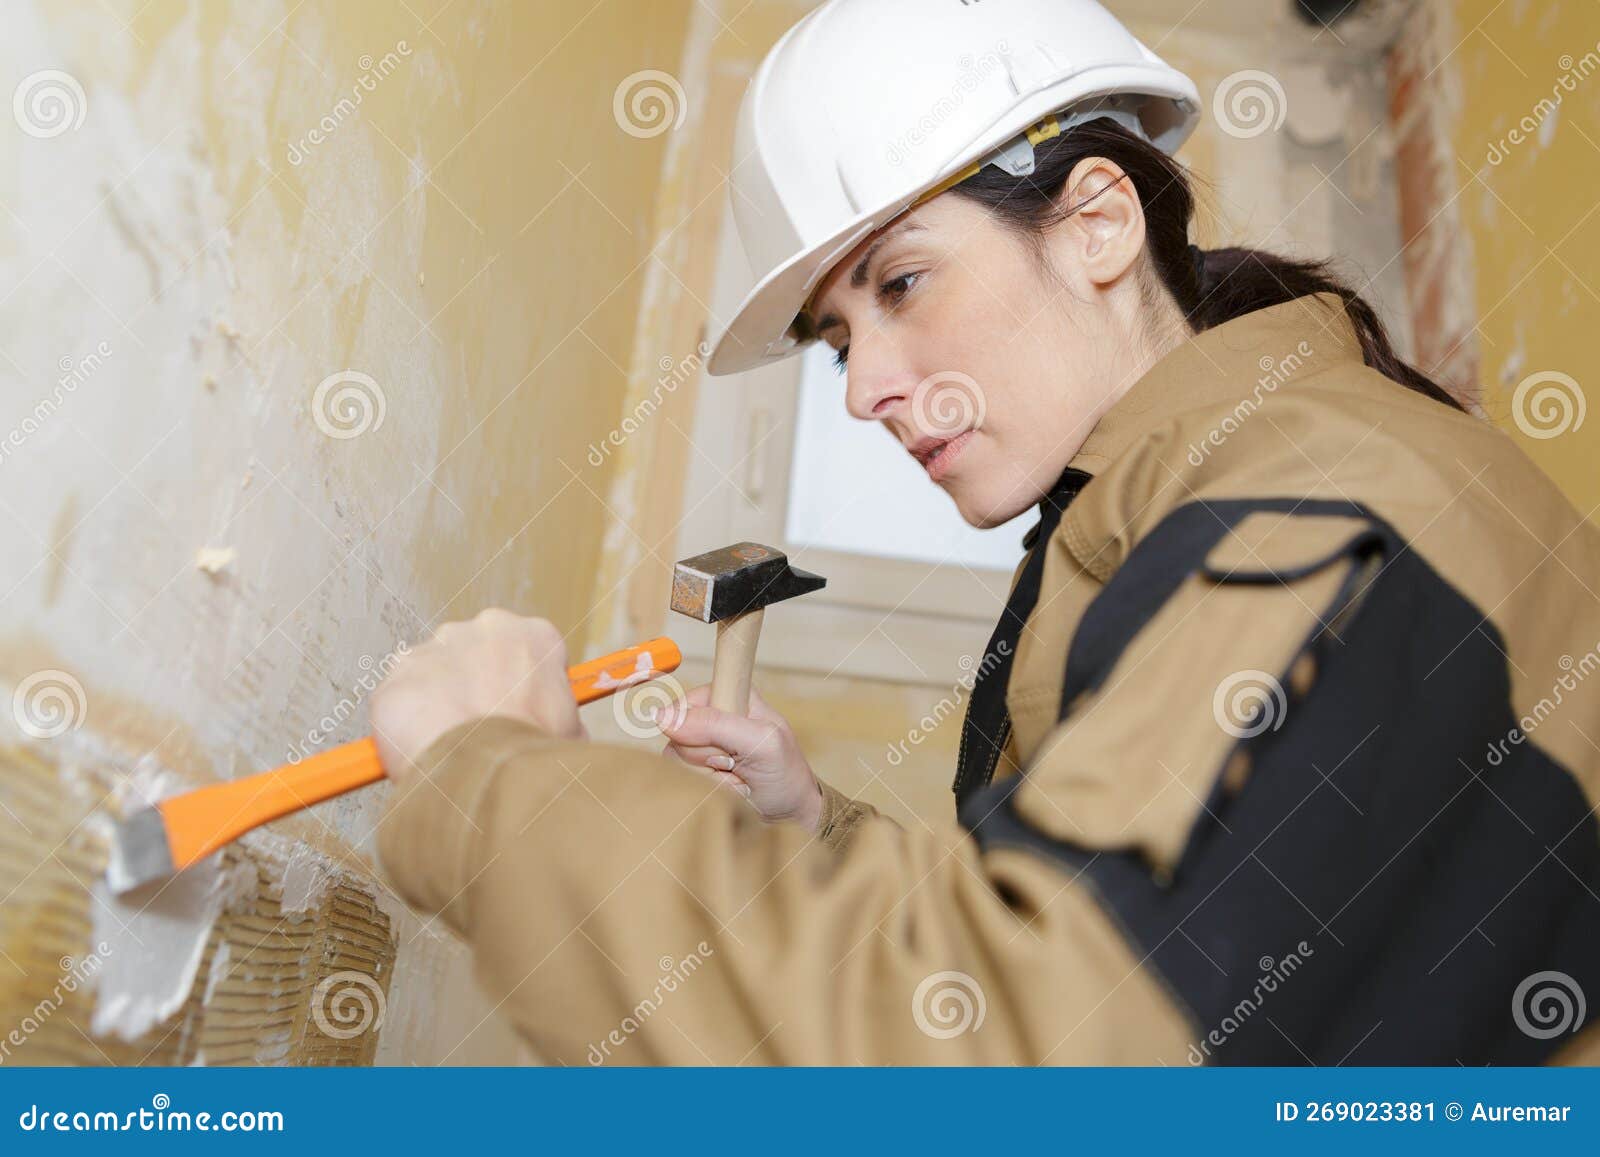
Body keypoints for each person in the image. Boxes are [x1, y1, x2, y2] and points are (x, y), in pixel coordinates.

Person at [370, 0, 1600, 1064]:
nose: (861, 389)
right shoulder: (1158, 505)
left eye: (901, 284)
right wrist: (816, 826)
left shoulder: (1309, 512)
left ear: (1099, 225)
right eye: (843, 338)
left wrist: (497, 784)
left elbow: (1022, 1055)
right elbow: (1122, 952)